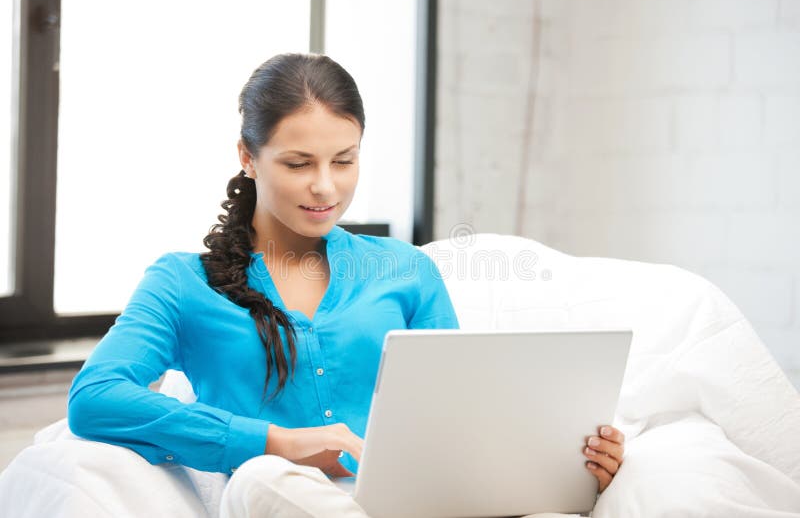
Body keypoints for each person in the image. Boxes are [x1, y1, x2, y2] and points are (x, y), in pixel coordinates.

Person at [66, 53, 625, 517]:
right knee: (261, 482)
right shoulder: (182, 281)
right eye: (298, 163)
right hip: (282, 498)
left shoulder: (404, 270)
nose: (325, 187)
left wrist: (568, 458)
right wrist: (278, 443)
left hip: (415, 497)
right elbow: (95, 399)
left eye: (344, 160)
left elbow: (460, 417)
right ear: (248, 158)